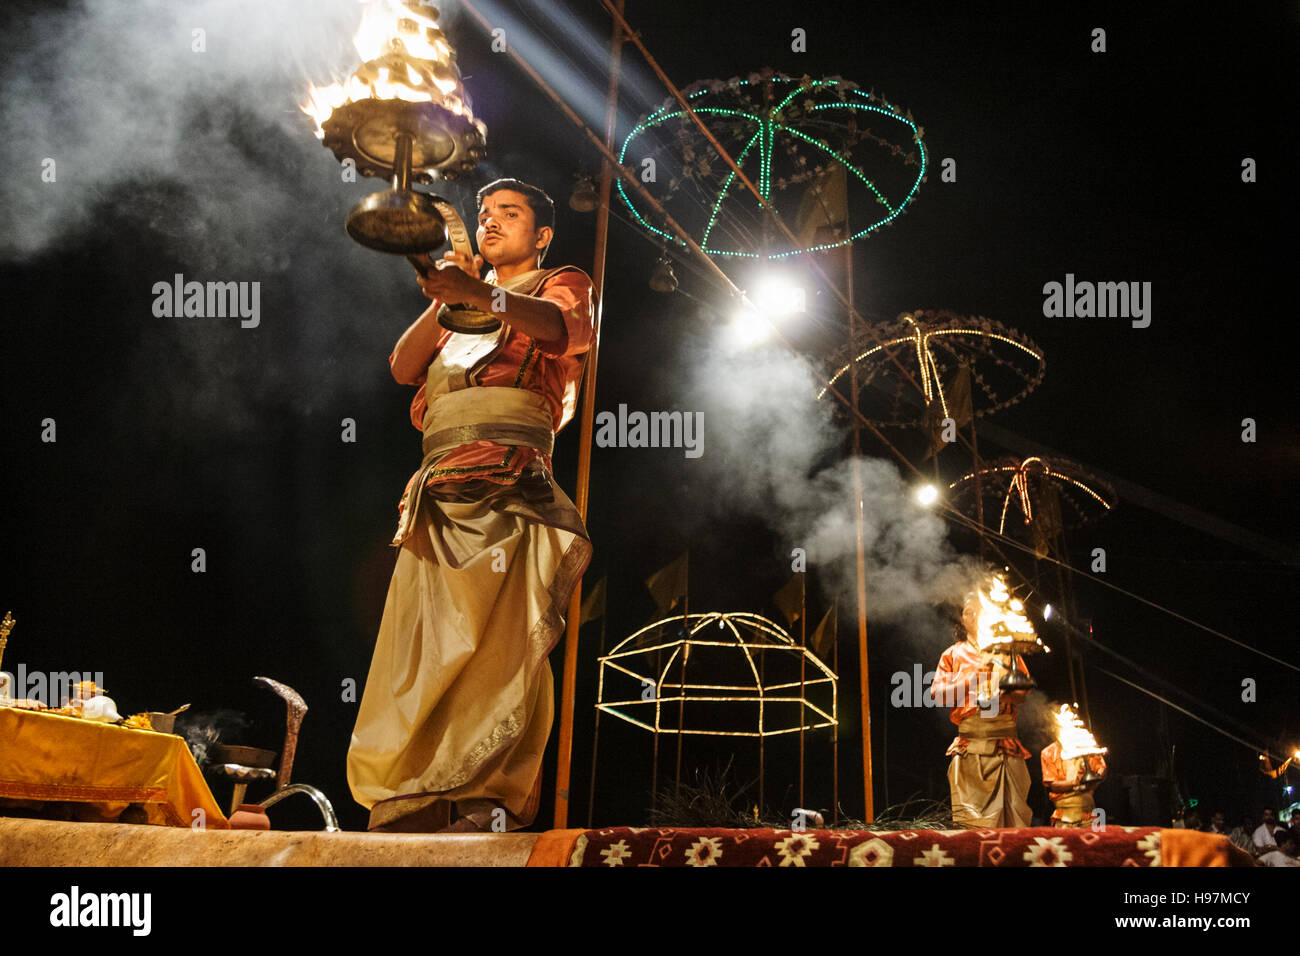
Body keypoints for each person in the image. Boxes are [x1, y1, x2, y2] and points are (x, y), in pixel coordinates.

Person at [347, 179, 595, 832]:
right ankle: (412, 798)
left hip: (509, 483)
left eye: (509, 215)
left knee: (496, 647)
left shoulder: (557, 282)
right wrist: (452, 287)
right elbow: (404, 365)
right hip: (436, 492)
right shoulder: (461, 302)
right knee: (424, 649)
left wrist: (480, 293)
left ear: (540, 234)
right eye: (484, 215)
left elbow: (570, 331)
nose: (490, 223)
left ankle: (487, 800)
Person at [931, 595, 1033, 828]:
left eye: (979, 609)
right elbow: (938, 695)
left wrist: (1000, 690)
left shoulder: (1008, 651)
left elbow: (1022, 694)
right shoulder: (952, 654)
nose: (975, 615)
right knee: (972, 827)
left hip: (1006, 745)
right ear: (961, 619)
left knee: (1014, 823)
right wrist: (972, 681)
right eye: (969, 611)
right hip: (971, 748)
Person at [1039, 741, 1106, 828]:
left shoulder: (1088, 745)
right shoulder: (1049, 752)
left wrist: (1099, 775)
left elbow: (1101, 769)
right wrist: (1077, 782)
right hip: (1064, 816)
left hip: (1089, 813)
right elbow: (1054, 786)